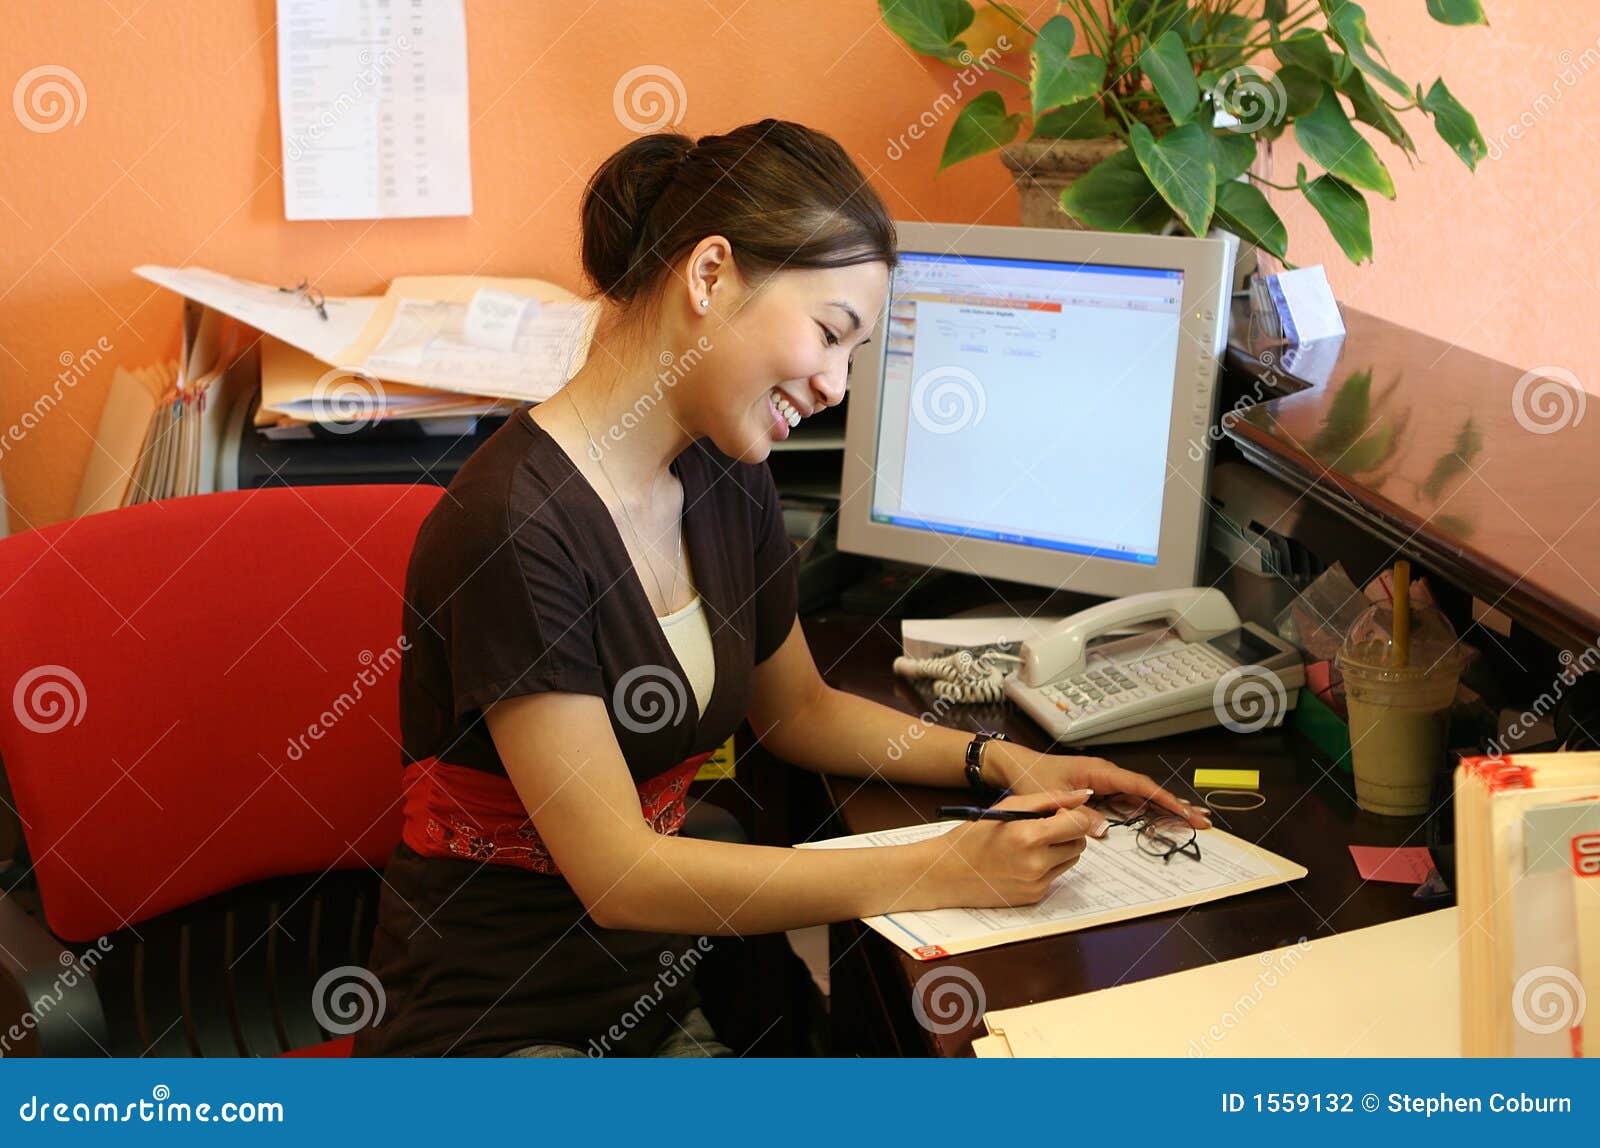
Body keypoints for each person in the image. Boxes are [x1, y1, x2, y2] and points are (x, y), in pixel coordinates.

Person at [353, 118, 1210, 1059]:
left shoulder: (724, 473)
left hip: (662, 979)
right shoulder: (515, 526)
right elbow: (618, 874)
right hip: (506, 1023)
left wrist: (1000, 763)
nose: (838, 384)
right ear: (710, 275)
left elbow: (798, 708)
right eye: (830, 335)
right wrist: (944, 865)